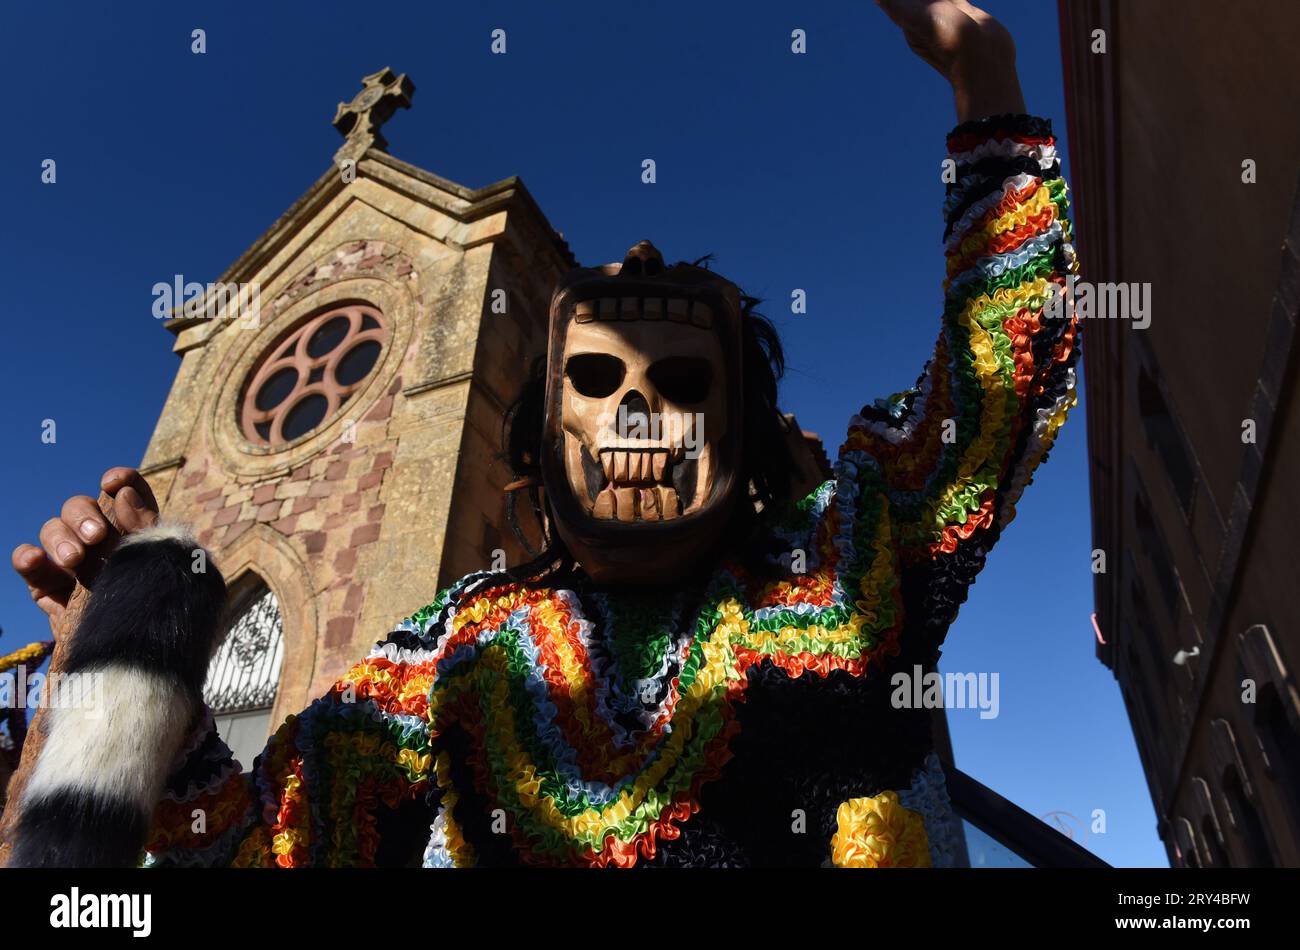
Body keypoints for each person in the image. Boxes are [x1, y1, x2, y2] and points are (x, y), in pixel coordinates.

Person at [5, 0, 1079, 867]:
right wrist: (129, 664)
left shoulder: (835, 569)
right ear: (536, 439)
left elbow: (995, 388)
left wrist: (986, 82)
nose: (636, 411)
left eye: (683, 384)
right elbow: (263, 845)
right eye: (598, 378)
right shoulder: (457, 650)